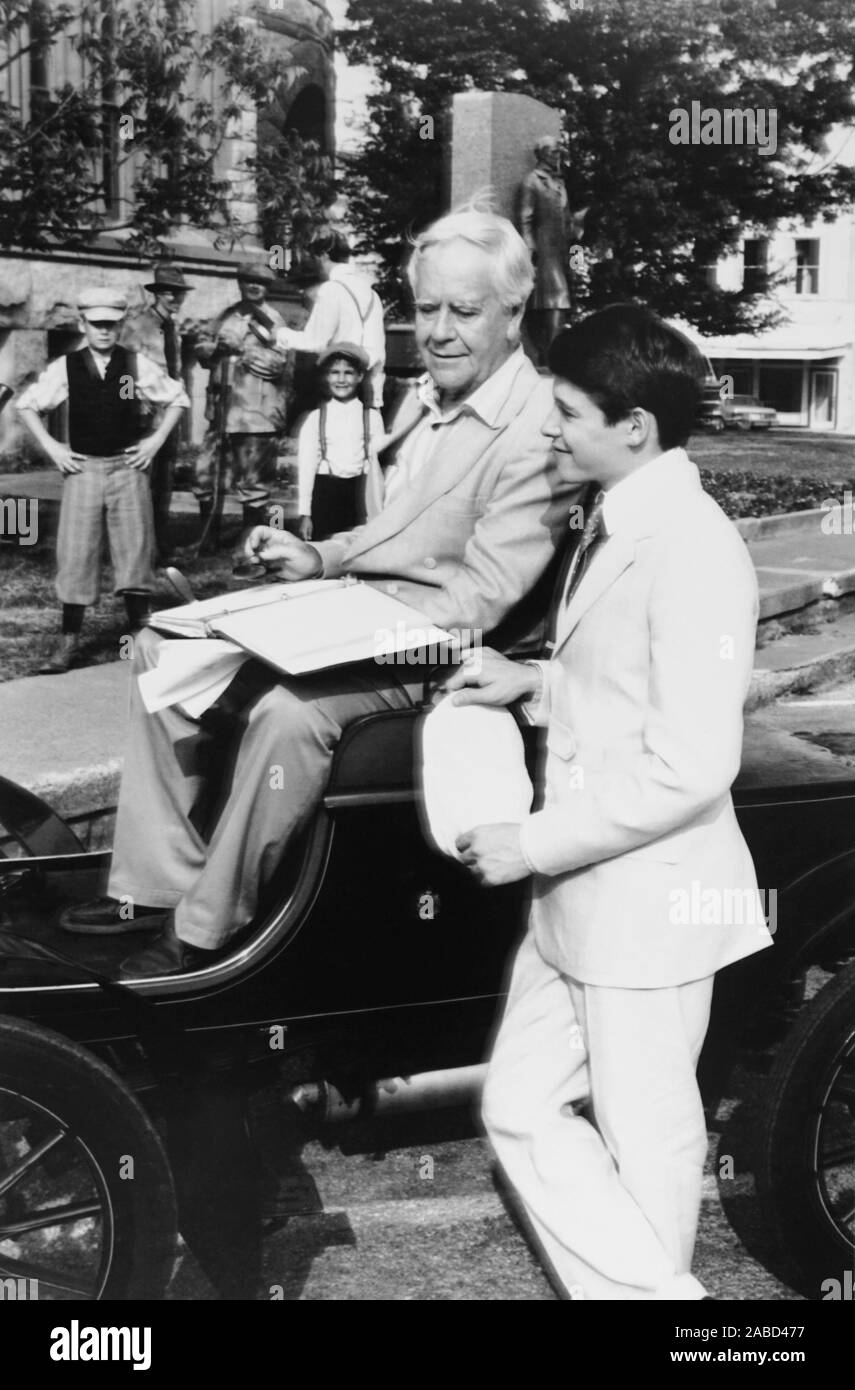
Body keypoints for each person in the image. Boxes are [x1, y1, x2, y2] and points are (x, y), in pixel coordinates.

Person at [60, 207, 579, 979]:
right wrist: (317, 557)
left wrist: (335, 624)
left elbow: (480, 602)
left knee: (285, 713)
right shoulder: (433, 401)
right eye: (426, 308)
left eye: (462, 312)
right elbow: (392, 533)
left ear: (512, 312)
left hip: (449, 653)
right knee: (161, 647)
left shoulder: (538, 427)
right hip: (368, 619)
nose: (437, 331)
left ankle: (210, 930)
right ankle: (160, 883)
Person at [436, 305, 773, 1300]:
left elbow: (692, 764)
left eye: (570, 413)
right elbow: (625, 689)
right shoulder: (628, 513)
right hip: (581, 898)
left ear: (635, 427)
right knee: (520, 1106)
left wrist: (531, 842)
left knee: (648, 1142)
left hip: (648, 903)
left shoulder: (696, 549)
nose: (551, 429)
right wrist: (530, 682)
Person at [16, 288, 190, 674]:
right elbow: (27, 405)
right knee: (76, 555)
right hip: (84, 471)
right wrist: (54, 448)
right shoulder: (68, 366)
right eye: (96, 324)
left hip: (128, 470)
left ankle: (138, 639)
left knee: (134, 553)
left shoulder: (135, 364)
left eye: (112, 324)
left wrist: (154, 441)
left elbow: (177, 399)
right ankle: (68, 643)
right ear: (83, 324)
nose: (104, 331)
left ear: (122, 325)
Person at [193, 262, 289, 526]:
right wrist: (212, 349)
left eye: (261, 283)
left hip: (255, 416)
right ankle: (207, 537)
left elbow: (279, 364)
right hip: (222, 411)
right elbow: (202, 347)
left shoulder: (273, 321)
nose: (255, 287)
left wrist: (242, 350)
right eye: (249, 281)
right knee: (205, 474)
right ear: (241, 284)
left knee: (254, 483)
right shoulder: (225, 315)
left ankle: (249, 539)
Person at [120, 263, 195, 562]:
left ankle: (158, 544)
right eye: (168, 293)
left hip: (168, 414)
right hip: (144, 414)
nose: (174, 299)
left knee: (163, 482)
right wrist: (130, 405)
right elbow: (123, 371)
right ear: (156, 295)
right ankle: (135, 549)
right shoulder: (137, 325)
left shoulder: (172, 327)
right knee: (140, 482)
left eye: (178, 294)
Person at [276, 231, 386, 409]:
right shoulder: (371, 293)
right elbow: (379, 354)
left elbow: (315, 342)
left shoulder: (331, 290)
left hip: (337, 388)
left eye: (310, 256)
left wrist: (280, 334)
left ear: (322, 255)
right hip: (367, 393)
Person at [297, 342, 384, 542]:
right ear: (327, 376)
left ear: (360, 376)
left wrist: (378, 510)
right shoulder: (315, 418)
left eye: (349, 373)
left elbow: (377, 469)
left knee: (358, 551)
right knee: (325, 552)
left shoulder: (371, 417)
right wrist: (305, 513)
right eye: (335, 372)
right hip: (326, 495)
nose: (341, 379)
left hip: (359, 497)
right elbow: (306, 468)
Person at [518, 136, 586, 367]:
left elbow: (567, 223)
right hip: (544, 250)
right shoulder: (532, 181)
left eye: (559, 152)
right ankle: (550, 359)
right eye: (554, 152)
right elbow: (526, 218)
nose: (558, 156)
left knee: (558, 303)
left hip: (562, 250)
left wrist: (576, 229)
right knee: (557, 302)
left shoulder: (560, 183)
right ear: (543, 154)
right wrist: (530, 249)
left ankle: (549, 356)